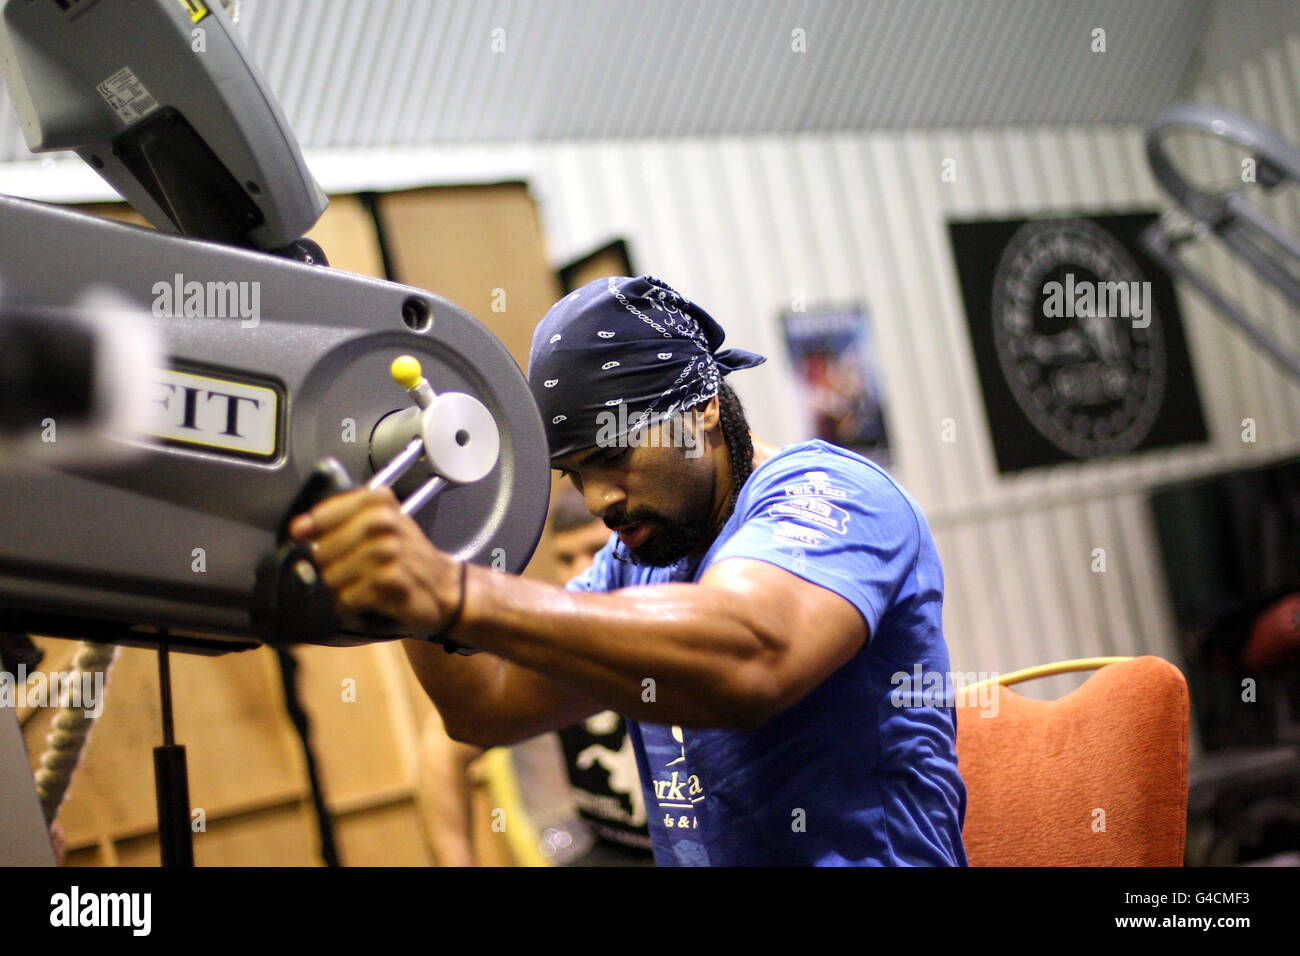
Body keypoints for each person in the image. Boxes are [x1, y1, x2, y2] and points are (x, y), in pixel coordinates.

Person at [290, 274, 967, 866]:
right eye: (576, 473)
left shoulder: (832, 495)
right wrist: (422, 529)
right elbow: (484, 708)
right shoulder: (636, 563)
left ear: (699, 413)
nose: (600, 501)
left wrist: (457, 591)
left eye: (613, 458)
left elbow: (751, 658)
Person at [416, 487, 654, 866]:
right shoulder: (564, 646)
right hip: (612, 850)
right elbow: (443, 749)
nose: (579, 571)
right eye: (564, 557)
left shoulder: (674, 627)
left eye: (595, 551)